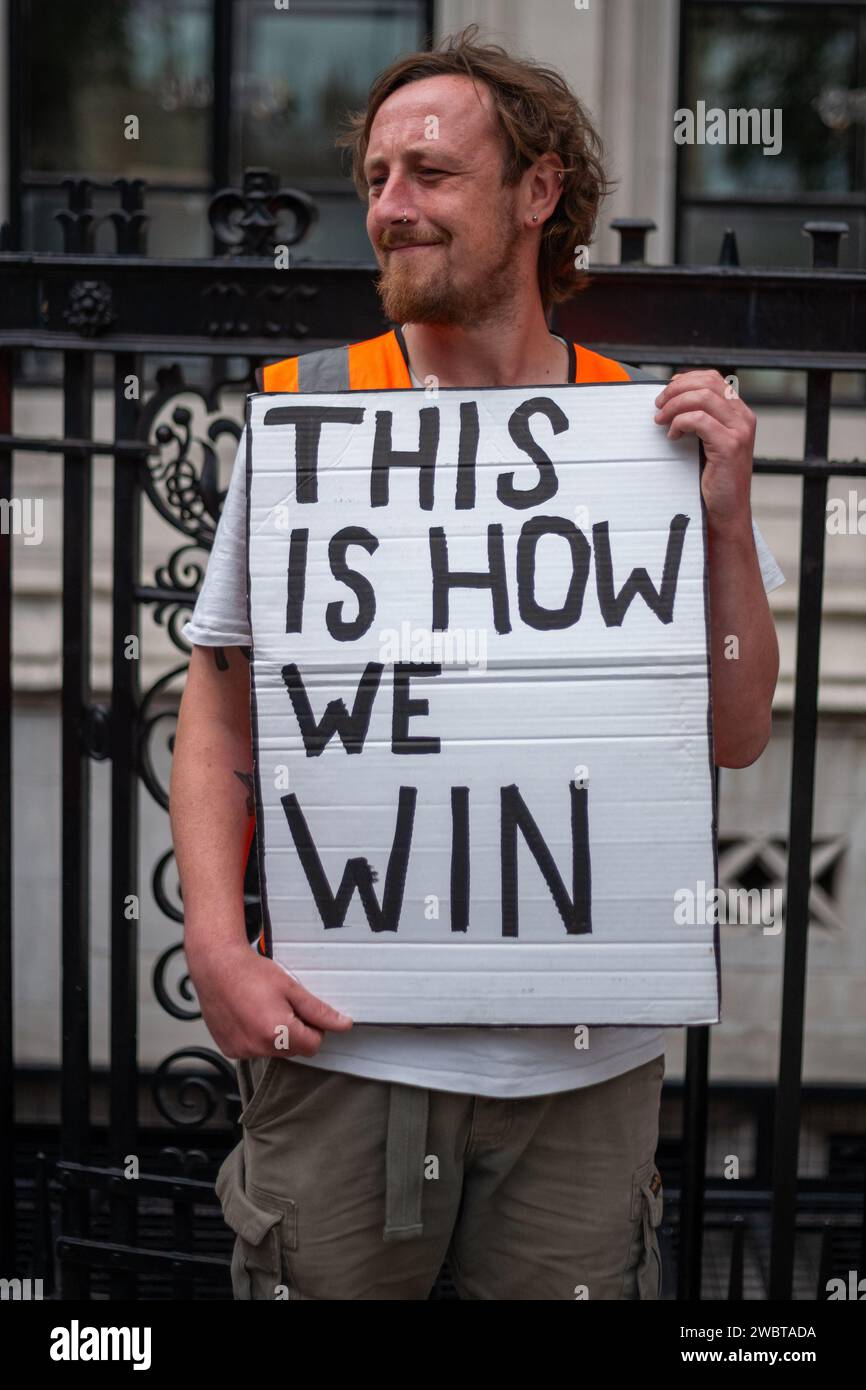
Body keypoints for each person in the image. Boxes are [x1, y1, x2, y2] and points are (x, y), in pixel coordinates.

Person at [169, 26, 785, 1301]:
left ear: (537, 191)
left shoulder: (642, 434)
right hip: (341, 1053)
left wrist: (724, 521)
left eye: (431, 174)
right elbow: (218, 717)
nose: (391, 210)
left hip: (579, 1076)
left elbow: (729, 730)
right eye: (377, 179)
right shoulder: (315, 415)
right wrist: (217, 950)